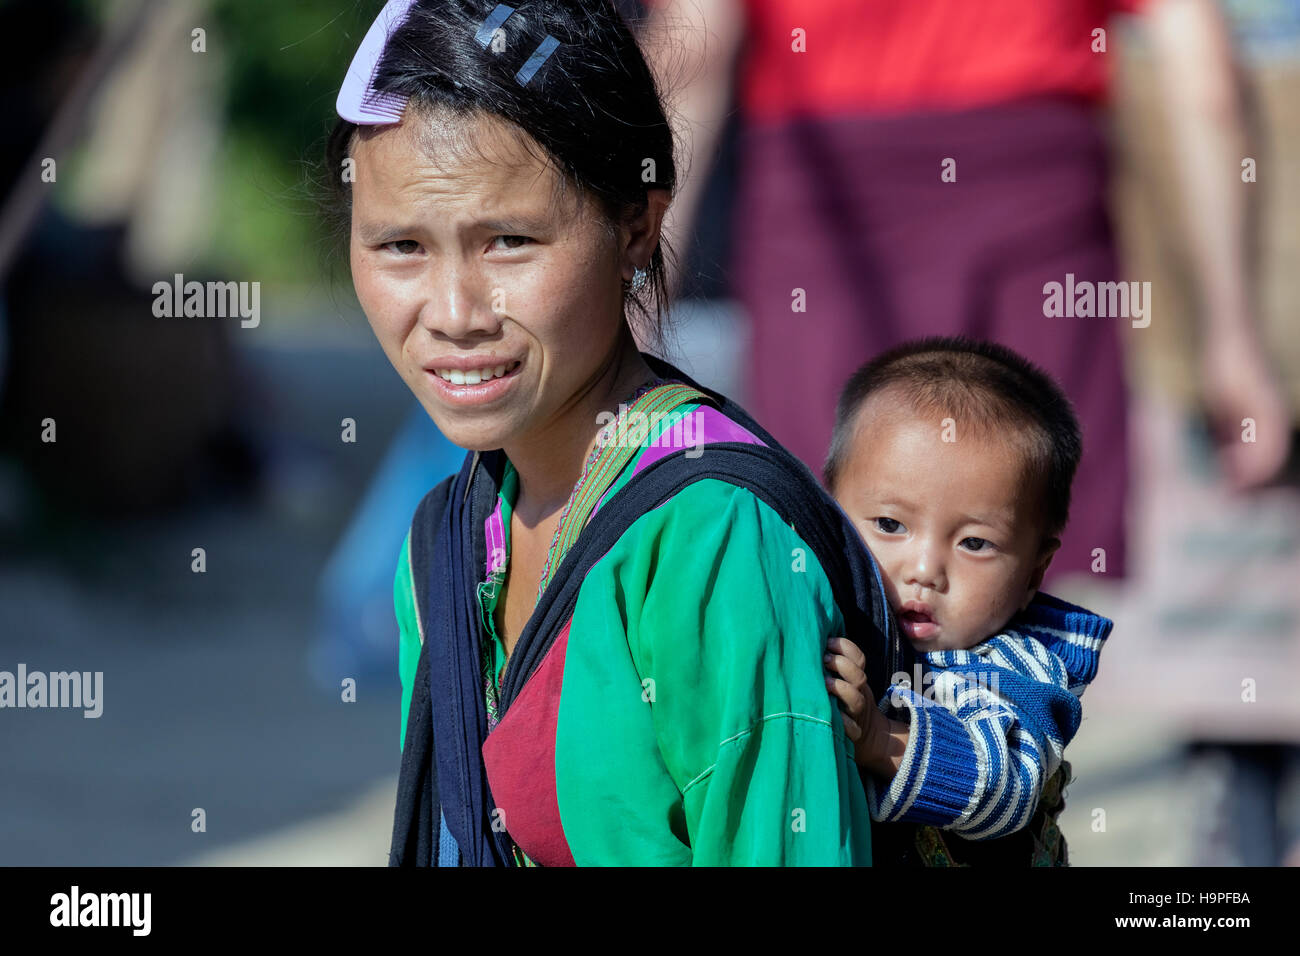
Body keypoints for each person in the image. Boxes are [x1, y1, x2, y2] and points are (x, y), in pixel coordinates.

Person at [325, 0, 881, 866]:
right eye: (399, 247)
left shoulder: (711, 537)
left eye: (509, 241)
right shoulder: (451, 535)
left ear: (636, 224)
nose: (454, 313)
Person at [640, 0, 1292, 586]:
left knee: (826, 572)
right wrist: (1233, 338)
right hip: (1033, 197)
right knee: (1020, 577)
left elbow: (696, 50)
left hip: (826, 218)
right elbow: (1205, 77)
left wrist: (632, 310)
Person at [820, 338, 1113, 864]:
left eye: (974, 543)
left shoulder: (1017, 667)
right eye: (890, 525)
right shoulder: (828, 613)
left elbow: (1005, 781)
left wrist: (883, 740)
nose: (926, 570)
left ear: (1034, 572)